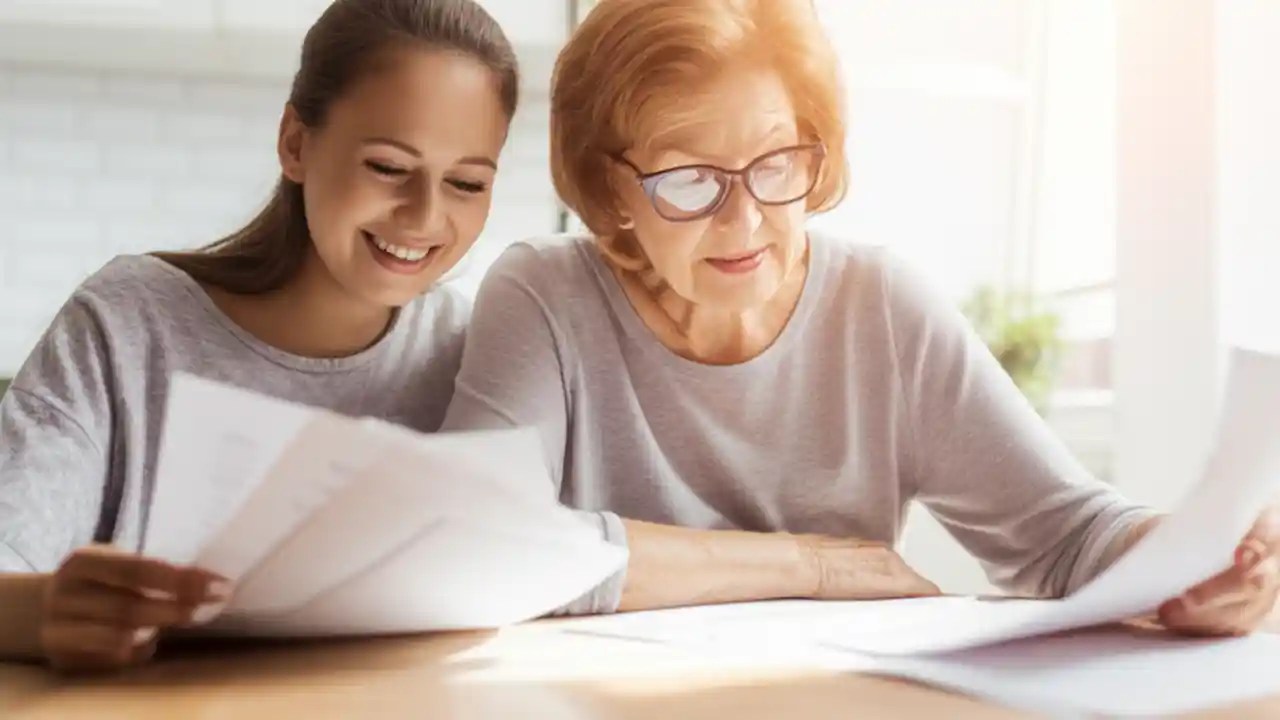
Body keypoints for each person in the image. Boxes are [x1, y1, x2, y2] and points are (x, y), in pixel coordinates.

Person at [443, 0, 1280, 634]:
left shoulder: (880, 307)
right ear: (612, 189)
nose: (743, 222)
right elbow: (478, 544)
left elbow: (1064, 537)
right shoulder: (544, 296)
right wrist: (809, 565)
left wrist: (1193, 562)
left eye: (775, 163)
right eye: (689, 179)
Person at [0, 0, 519, 671]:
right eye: (388, 167)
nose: (425, 215)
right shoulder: (128, 324)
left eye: (467, 182)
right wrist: (46, 611)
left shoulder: (472, 351)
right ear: (296, 144)